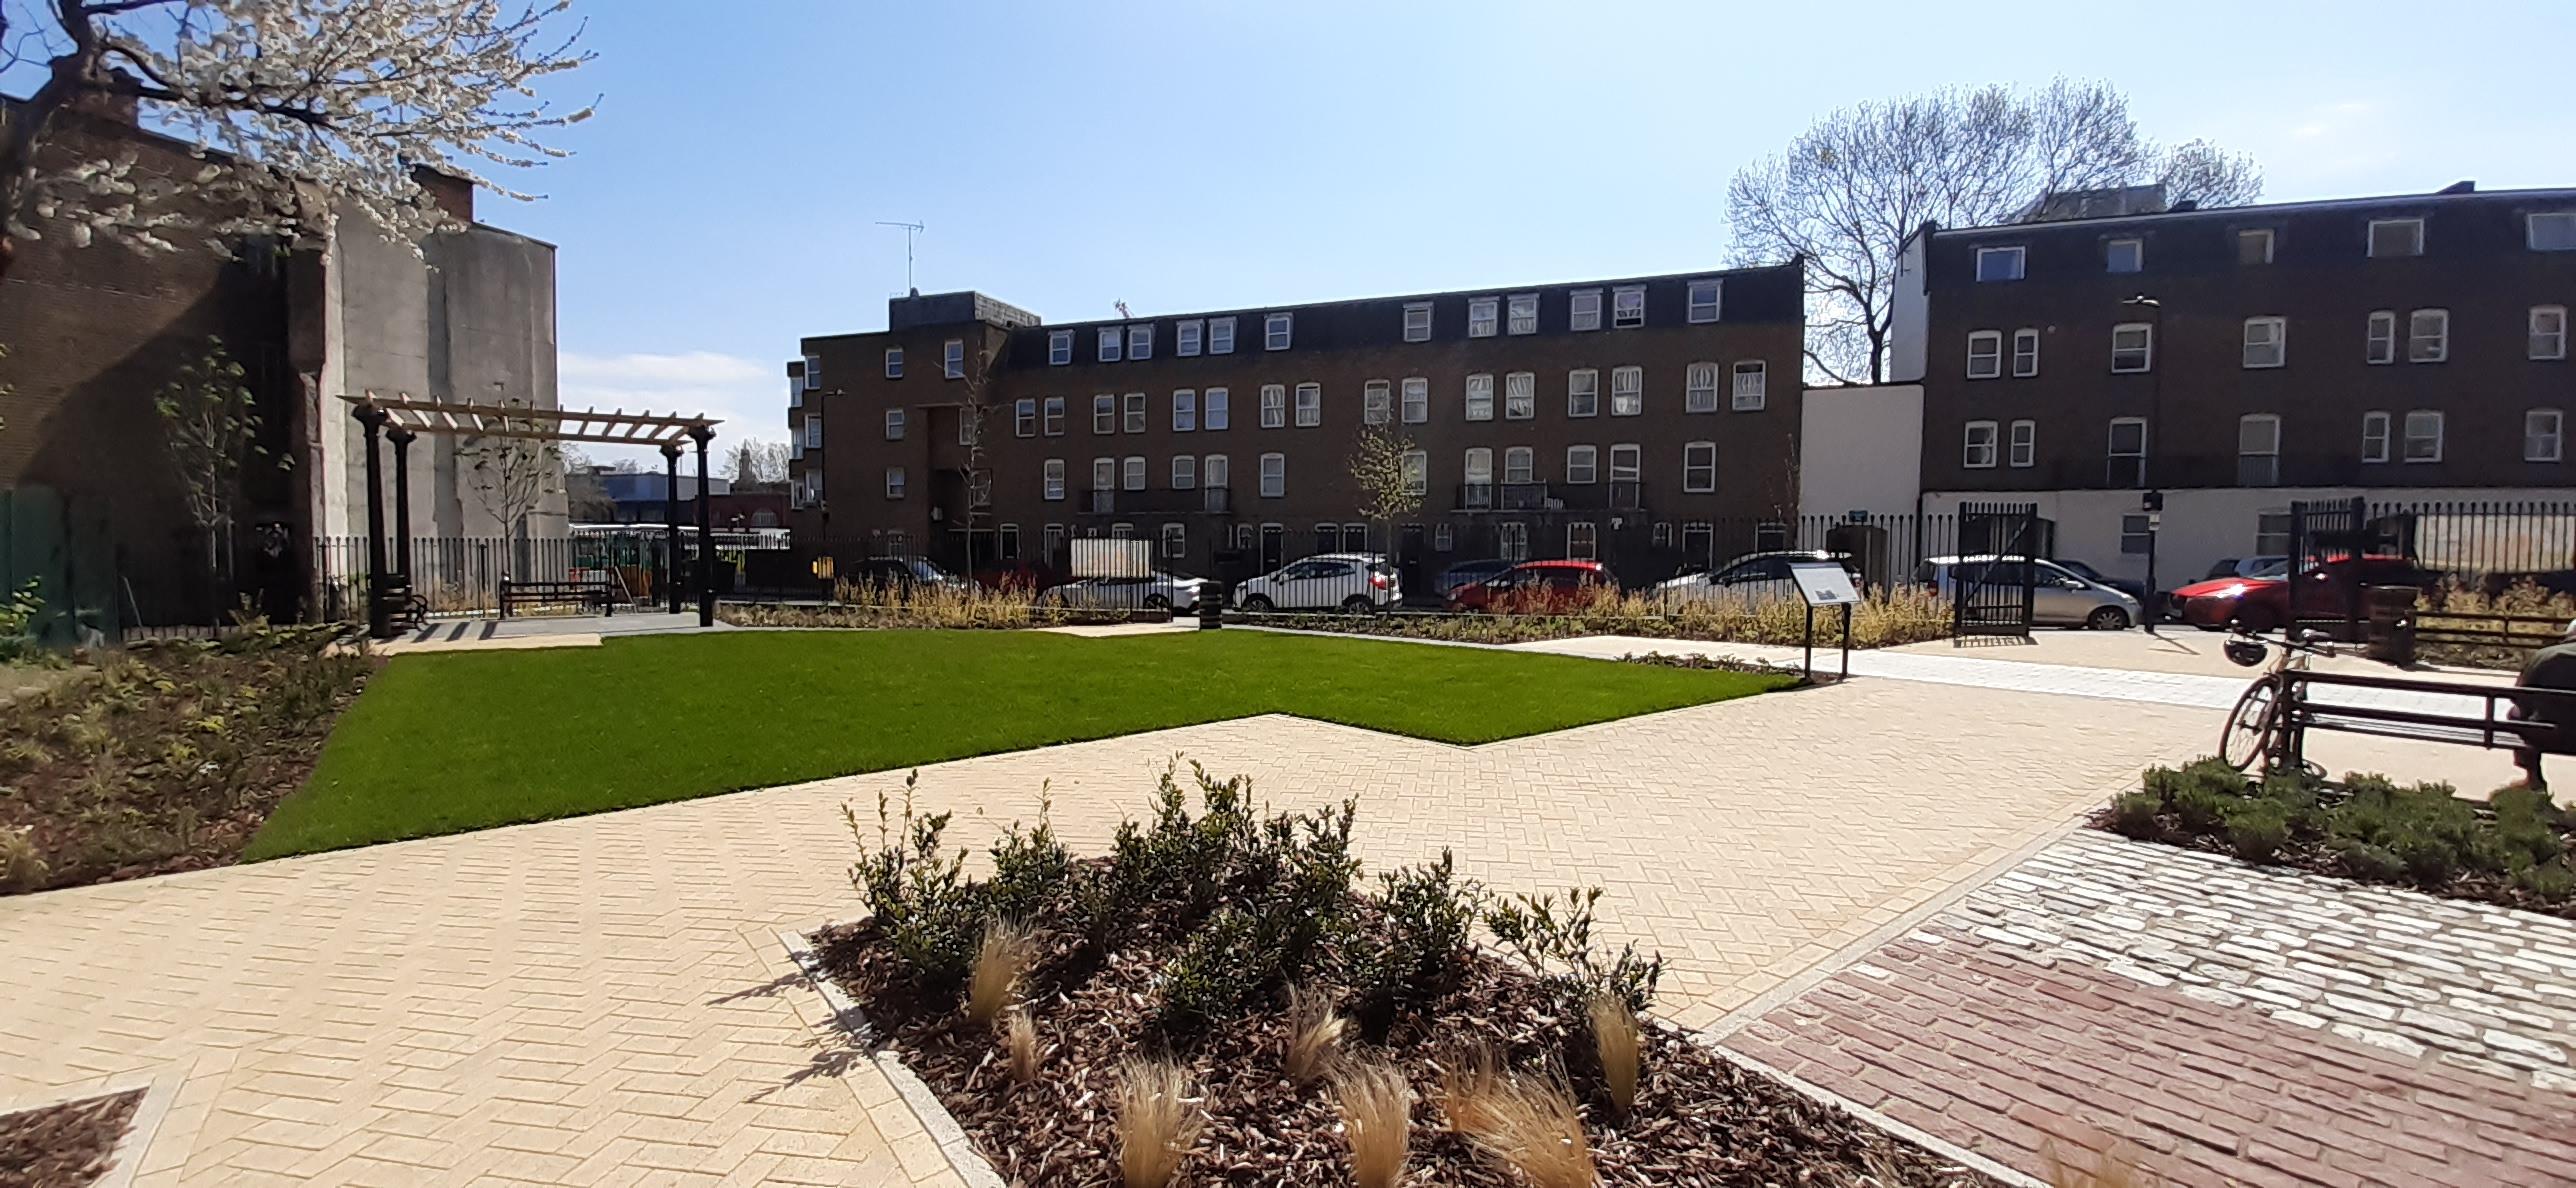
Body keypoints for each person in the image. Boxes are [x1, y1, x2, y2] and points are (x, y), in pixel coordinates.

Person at [2512, 621, 2576, 789]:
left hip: (2546, 734)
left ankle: (2533, 778)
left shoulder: (2544, 655)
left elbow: (2519, 695)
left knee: (2516, 714)